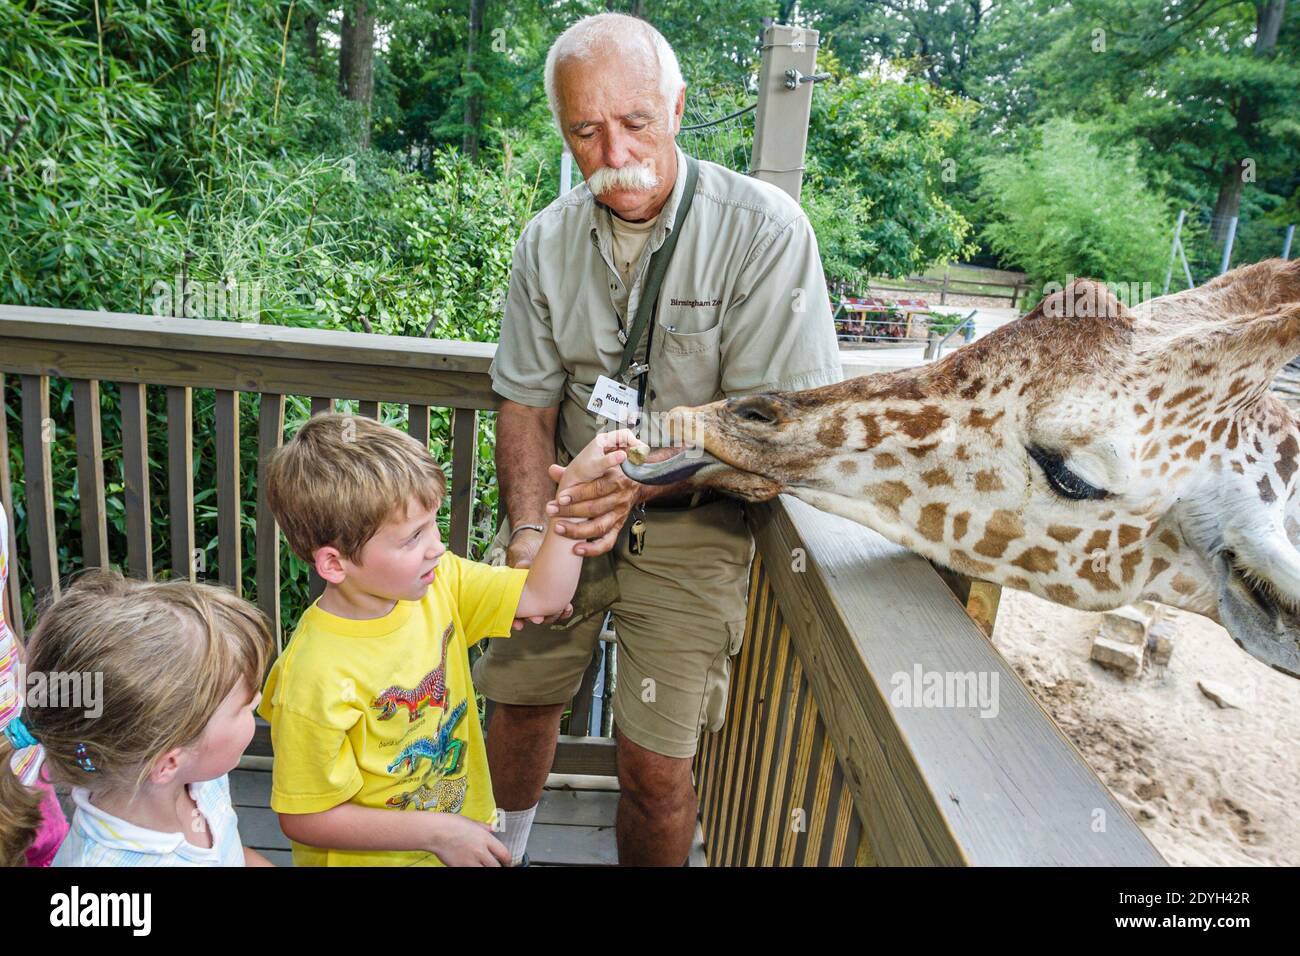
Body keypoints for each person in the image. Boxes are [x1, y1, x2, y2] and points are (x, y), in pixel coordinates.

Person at [478, 13, 843, 865]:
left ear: (677, 108)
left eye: (636, 121)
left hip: (695, 522)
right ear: (564, 132)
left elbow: (777, 430)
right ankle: (499, 855)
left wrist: (640, 483)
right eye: (585, 130)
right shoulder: (545, 241)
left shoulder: (765, 230)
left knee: (656, 765)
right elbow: (525, 404)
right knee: (520, 701)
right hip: (567, 512)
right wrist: (532, 525)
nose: (614, 151)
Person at [257, 412, 636, 866]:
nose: (437, 546)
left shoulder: (441, 582)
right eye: (413, 537)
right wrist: (438, 832)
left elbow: (543, 594)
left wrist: (572, 497)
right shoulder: (313, 676)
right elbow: (305, 816)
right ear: (335, 564)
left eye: (432, 524)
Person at [0, 567, 275, 867]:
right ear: (168, 762)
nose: (258, 701)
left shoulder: (198, 776)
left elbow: (228, 852)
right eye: (245, 708)